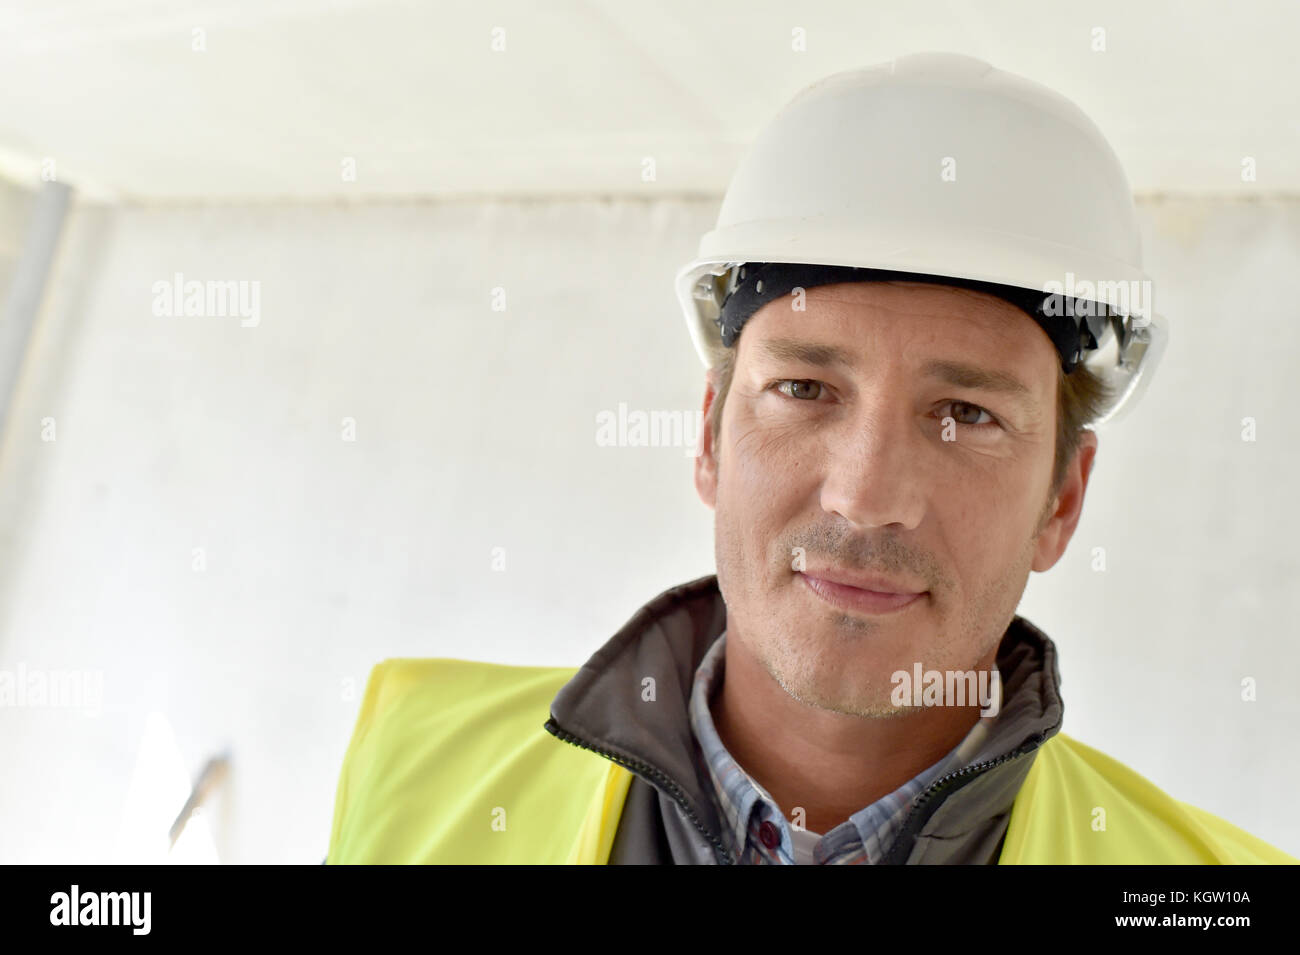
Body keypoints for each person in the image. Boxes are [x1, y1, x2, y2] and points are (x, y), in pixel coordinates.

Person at [325, 52, 1296, 864]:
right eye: (804, 390)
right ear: (709, 434)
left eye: (963, 412)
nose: (866, 494)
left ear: (1062, 500)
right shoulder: (420, 768)